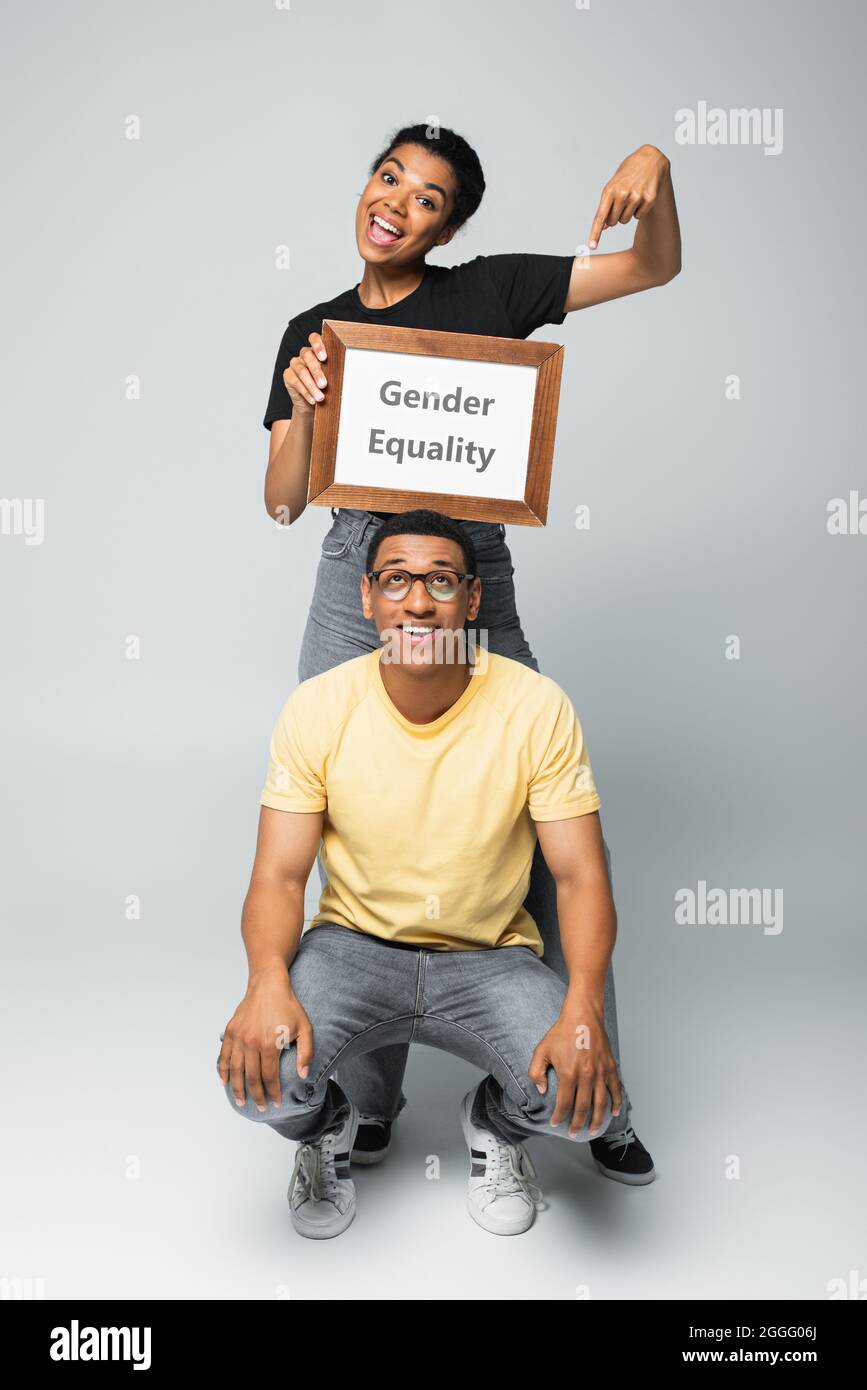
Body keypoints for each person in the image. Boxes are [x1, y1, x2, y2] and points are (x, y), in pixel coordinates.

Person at [260, 121, 680, 1175]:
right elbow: (280, 501)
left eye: (431, 197)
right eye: (390, 175)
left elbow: (652, 263)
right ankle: (362, 1089)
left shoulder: (490, 293)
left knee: (545, 815)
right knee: (345, 797)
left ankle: (596, 1071)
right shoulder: (313, 327)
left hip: (470, 567)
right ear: (367, 185)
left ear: (450, 226)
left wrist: (658, 173)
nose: (399, 200)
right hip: (363, 571)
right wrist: (306, 404)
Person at [218, 511, 639, 1238]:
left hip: (488, 959)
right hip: (353, 950)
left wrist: (582, 1010)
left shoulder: (537, 706)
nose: (417, 601)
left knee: (588, 1104)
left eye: (440, 580)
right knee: (261, 1081)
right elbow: (279, 877)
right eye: (396, 581)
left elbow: (579, 878)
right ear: (366, 598)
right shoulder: (318, 707)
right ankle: (332, 1124)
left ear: (473, 600)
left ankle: (494, 1126)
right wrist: (264, 981)